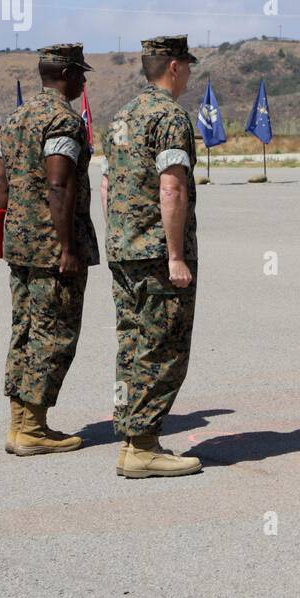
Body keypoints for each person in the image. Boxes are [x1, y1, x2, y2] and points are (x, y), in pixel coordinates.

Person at [104, 34, 203, 478]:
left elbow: (108, 186)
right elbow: (172, 187)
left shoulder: (123, 116)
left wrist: (119, 238)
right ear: (175, 67)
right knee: (162, 347)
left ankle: (132, 440)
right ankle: (143, 445)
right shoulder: (170, 117)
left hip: (125, 250)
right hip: (158, 255)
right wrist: (176, 256)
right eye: (188, 67)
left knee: (131, 344)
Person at [0, 43, 98, 455]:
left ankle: (20, 424)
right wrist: (67, 246)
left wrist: (8, 227)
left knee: (24, 328)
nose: (85, 81)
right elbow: (58, 184)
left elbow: (1, 182)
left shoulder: (15, 116)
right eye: (81, 73)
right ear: (67, 74)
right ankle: (33, 429)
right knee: (52, 332)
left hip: (19, 242)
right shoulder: (62, 121)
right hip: (51, 247)